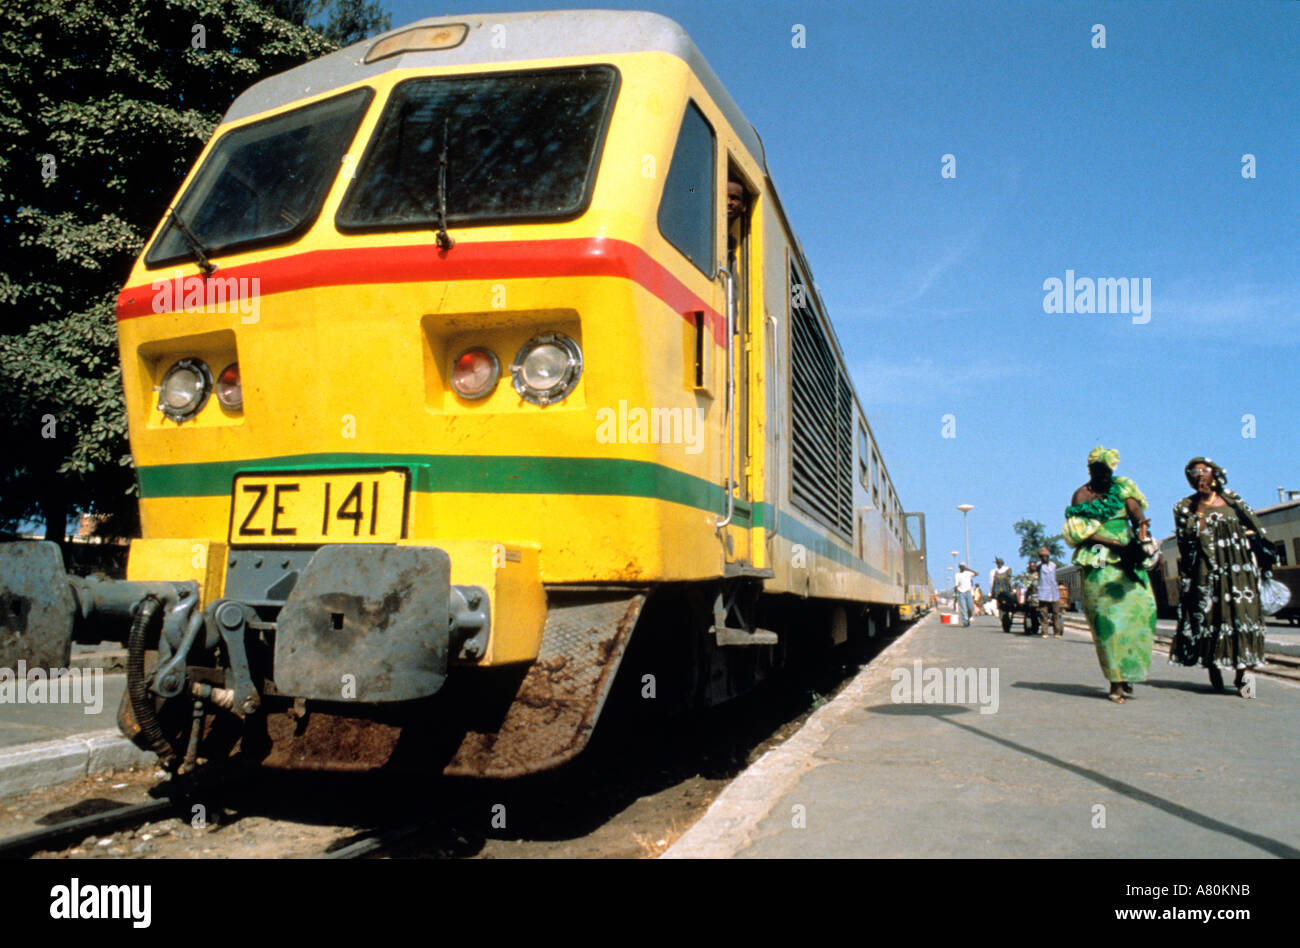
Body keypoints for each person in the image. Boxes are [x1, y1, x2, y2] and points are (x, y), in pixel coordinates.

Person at [1062, 446, 1157, 704]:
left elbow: (1137, 514)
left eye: (1108, 471)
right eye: (1099, 471)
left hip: (1129, 559)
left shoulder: (1124, 487)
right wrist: (1115, 544)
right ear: (1090, 470)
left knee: (1142, 613)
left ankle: (1129, 673)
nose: (1105, 475)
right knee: (1108, 622)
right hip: (1100, 558)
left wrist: (1142, 534)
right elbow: (1082, 532)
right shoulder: (1081, 496)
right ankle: (1115, 681)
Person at [1168, 457, 1268, 696]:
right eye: (1194, 471)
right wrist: (1202, 509)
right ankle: (1212, 664)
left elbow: (1258, 530)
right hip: (1208, 571)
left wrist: (1247, 537)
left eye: (1205, 469)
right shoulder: (1185, 506)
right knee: (1212, 618)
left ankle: (1245, 680)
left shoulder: (1233, 500)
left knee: (1245, 619)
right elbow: (1187, 541)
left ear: (1215, 473)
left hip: (1240, 571)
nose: (1200, 474)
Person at [1036, 547, 1065, 638]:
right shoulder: (1040, 565)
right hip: (1043, 593)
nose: (1044, 558)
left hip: (1054, 592)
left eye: (1045, 556)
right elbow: (1037, 568)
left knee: (1056, 613)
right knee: (1043, 613)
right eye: (1042, 557)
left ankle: (1057, 632)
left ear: (1048, 557)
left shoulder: (1053, 565)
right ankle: (1044, 632)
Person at [988, 558, 1014, 631]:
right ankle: (1003, 620)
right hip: (997, 592)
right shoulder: (993, 571)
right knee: (1000, 606)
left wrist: (1011, 589)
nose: (999, 564)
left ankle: (1006, 618)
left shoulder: (1007, 570)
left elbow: (1009, 580)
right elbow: (991, 582)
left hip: (1006, 591)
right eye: (998, 563)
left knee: (1007, 606)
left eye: (1000, 563)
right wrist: (992, 593)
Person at [1022, 561, 1041, 635]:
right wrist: (1028, 585)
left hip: (1040, 593)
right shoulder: (1027, 575)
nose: (1032, 567)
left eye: (1034, 566)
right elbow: (1025, 584)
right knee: (1031, 609)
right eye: (1031, 566)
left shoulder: (1040, 574)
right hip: (1031, 593)